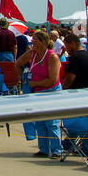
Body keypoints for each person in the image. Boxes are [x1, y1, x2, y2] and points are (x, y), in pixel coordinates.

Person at [18, 29, 63, 158]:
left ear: (43, 42)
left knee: (52, 122)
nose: (32, 42)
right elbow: (18, 63)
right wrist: (23, 79)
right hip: (36, 93)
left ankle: (56, 150)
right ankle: (43, 149)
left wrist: (34, 83)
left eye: (35, 40)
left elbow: (53, 79)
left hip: (51, 92)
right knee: (39, 122)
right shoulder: (32, 54)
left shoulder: (52, 57)